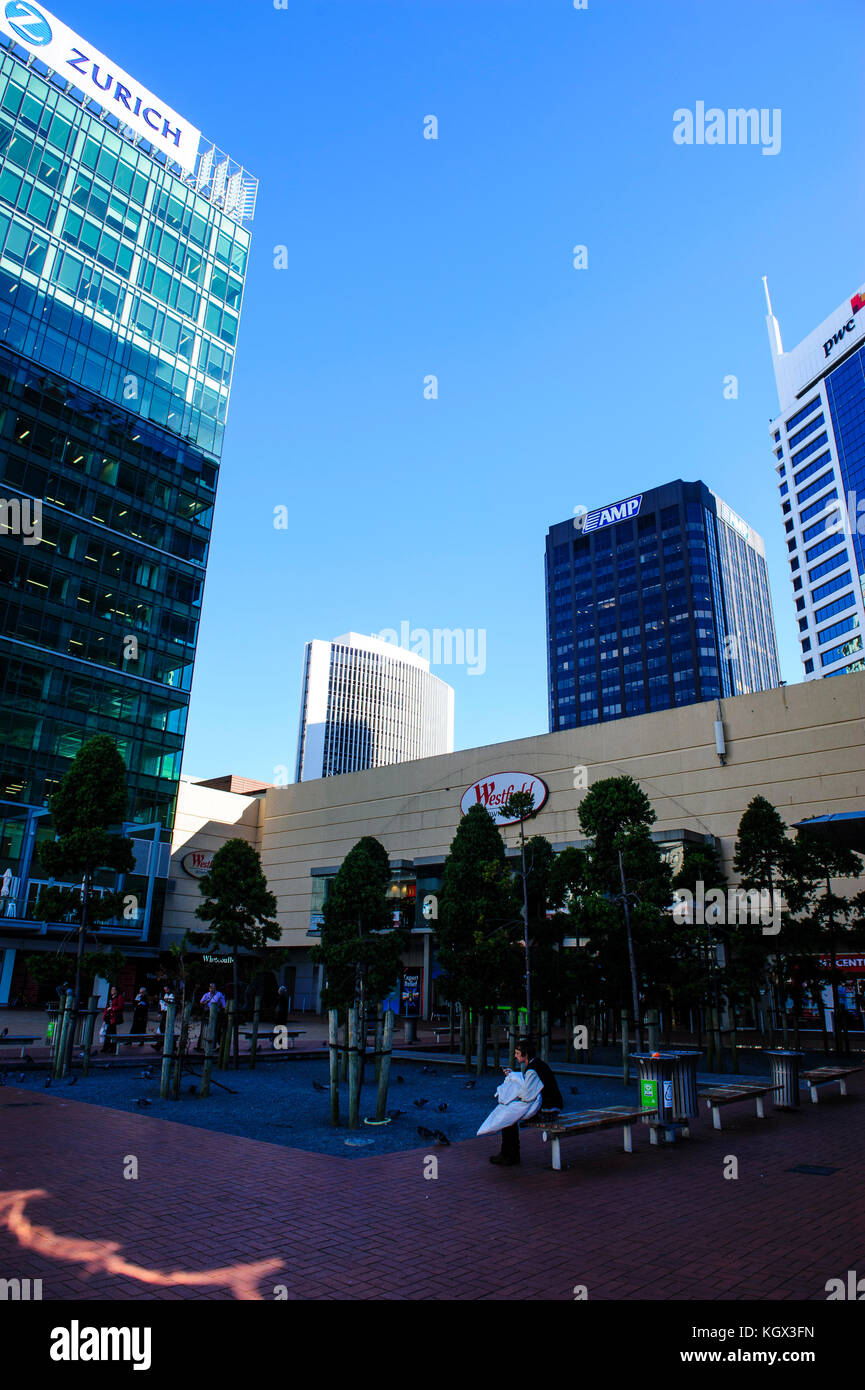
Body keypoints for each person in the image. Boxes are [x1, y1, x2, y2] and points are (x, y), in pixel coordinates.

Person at [491, 1037, 563, 1167]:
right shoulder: (538, 1064)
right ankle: (510, 1154)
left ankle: (509, 1154)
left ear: (526, 1054)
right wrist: (513, 1075)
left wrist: (512, 1095)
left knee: (508, 1117)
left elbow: (526, 1095)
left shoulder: (532, 1070)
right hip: (552, 1107)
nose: (515, 1056)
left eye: (518, 1053)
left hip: (547, 1110)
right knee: (510, 1115)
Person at [196, 982, 226, 1049]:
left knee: (215, 1029)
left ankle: (215, 1045)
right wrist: (205, 1003)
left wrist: (221, 1009)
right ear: (209, 988)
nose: (212, 989)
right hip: (207, 1012)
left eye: (213, 987)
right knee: (205, 1028)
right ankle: (202, 1045)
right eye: (211, 987)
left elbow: (224, 1005)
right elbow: (201, 1002)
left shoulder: (219, 994)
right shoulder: (206, 995)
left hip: (216, 1013)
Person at [101, 986, 125, 1054]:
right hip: (109, 1017)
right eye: (111, 989)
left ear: (116, 990)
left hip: (114, 1017)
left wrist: (112, 1008)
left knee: (110, 1032)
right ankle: (110, 1047)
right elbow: (107, 1006)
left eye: (114, 989)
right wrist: (105, 1015)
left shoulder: (119, 997)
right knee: (110, 1032)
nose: (112, 990)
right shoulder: (110, 998)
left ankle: (109, 1047)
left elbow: (120, 1006)